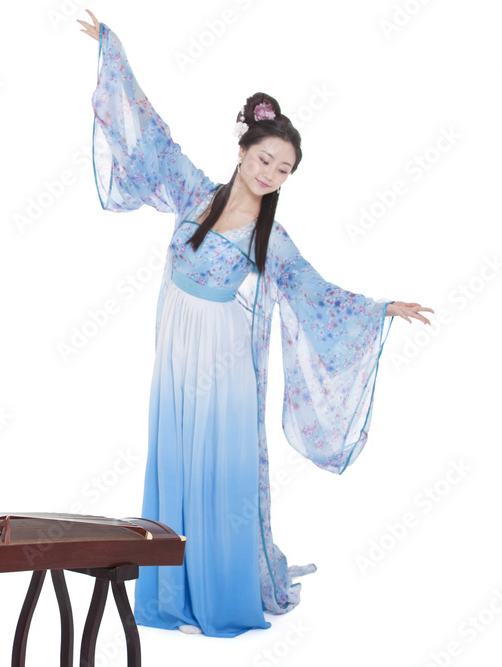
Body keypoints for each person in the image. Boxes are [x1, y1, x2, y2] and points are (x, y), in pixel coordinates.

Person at [79, 12, 432, 638]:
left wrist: (380, 310)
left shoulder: (274, 241)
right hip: (175, 348)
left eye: (283, 169)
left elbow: (316, 294)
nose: (270, 173)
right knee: (176, 460)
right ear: (243, 150)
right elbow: (149, 135)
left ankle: (219, 593)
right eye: (265, 158)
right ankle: (172, 589)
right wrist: (113, 53)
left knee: (219, 472)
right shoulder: (194, 192)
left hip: (223, 362)